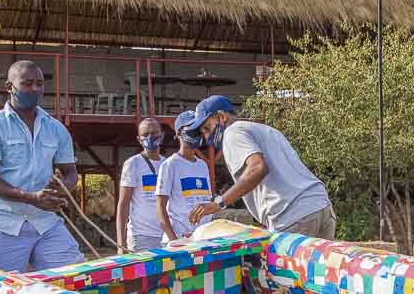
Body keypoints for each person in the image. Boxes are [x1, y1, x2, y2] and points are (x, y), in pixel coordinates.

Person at [0, 61, 83, 271]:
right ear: (9, 87)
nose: (35, 89)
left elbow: (70, 173)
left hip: (45, 223)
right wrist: (31, 198)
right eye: (27, 84)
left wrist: (62, 189)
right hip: (3, 224)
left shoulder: (56, 128)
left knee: (74, 279)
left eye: (40, 84)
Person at [189, 94, 335, 237]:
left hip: (293, 215)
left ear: (222, 117)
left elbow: (258, 167)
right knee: (316, 262)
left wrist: (219, 203)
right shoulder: (267, 130)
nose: (207, 137)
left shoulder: (232, 132)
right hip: (320, 206)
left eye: (207, 128)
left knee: (283, 262)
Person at [116, 117, 175, 252]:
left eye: (154, 133)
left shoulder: (168, 164)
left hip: (167, 235)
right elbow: (123, 204)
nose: (150, 137)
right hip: (142, 236)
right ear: (139, 139)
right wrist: (121, 244)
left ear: (162, 135)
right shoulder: (132, 164)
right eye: (145, 134)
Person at [157, 110, 216, 241]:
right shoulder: (170, 165)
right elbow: (160, 208)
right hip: (179, 239)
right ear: (179, 133)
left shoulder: (202, 165)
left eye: (198, 129)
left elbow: (207, 201)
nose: (196, 134)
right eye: (191, 129)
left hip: (202, 239)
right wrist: (174, 241)